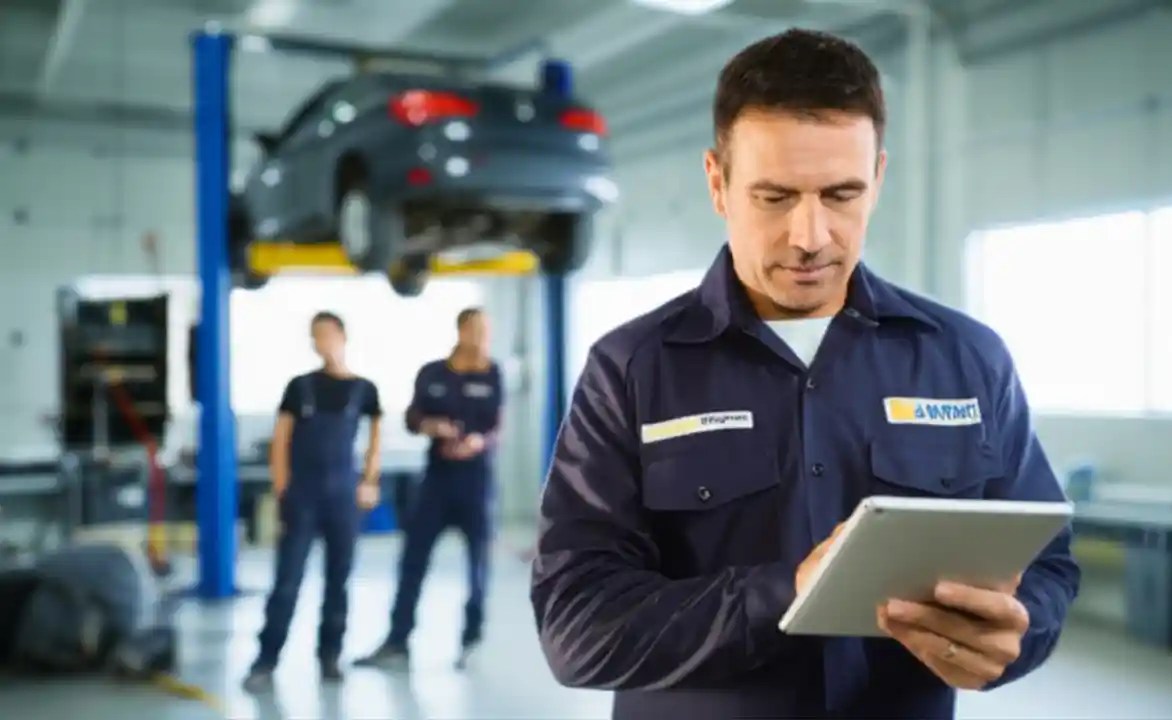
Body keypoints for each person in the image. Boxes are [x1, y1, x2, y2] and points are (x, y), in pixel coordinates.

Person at [530, 28, 1080, 720]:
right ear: (718, 182)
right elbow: (577, 628)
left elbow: (1047, 565)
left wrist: (1019, 631)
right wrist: (787, 594)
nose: (810, 235)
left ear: (878, 178)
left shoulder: (968, 361)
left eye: (842, 194)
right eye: (775, 197)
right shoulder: (632, 370)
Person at [356, 307, 503, 670]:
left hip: (476, 480)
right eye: (477, 330)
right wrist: (430, 426)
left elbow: (497, 426)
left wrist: (477, 442)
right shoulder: (432, 373)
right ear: (461, 330)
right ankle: (397, 641)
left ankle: (471, 640)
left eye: (488, 331)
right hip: (437, 480)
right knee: (412, 560)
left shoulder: (493, 373)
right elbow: (411, 417)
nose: (483, 337)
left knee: (478, 565)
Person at [244, 311, 383, 690]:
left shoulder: (365, 390)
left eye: (325, 335)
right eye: (314, 337)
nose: (320, 343)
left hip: (343, 496)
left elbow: (375, 441)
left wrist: (370, 481)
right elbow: (281, 441)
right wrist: (282, 488)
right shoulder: (299, 387)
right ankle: (266, 660)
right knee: (287, 580)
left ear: (342, 336)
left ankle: (330, 656)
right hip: (302, 496)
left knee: (339, 580)